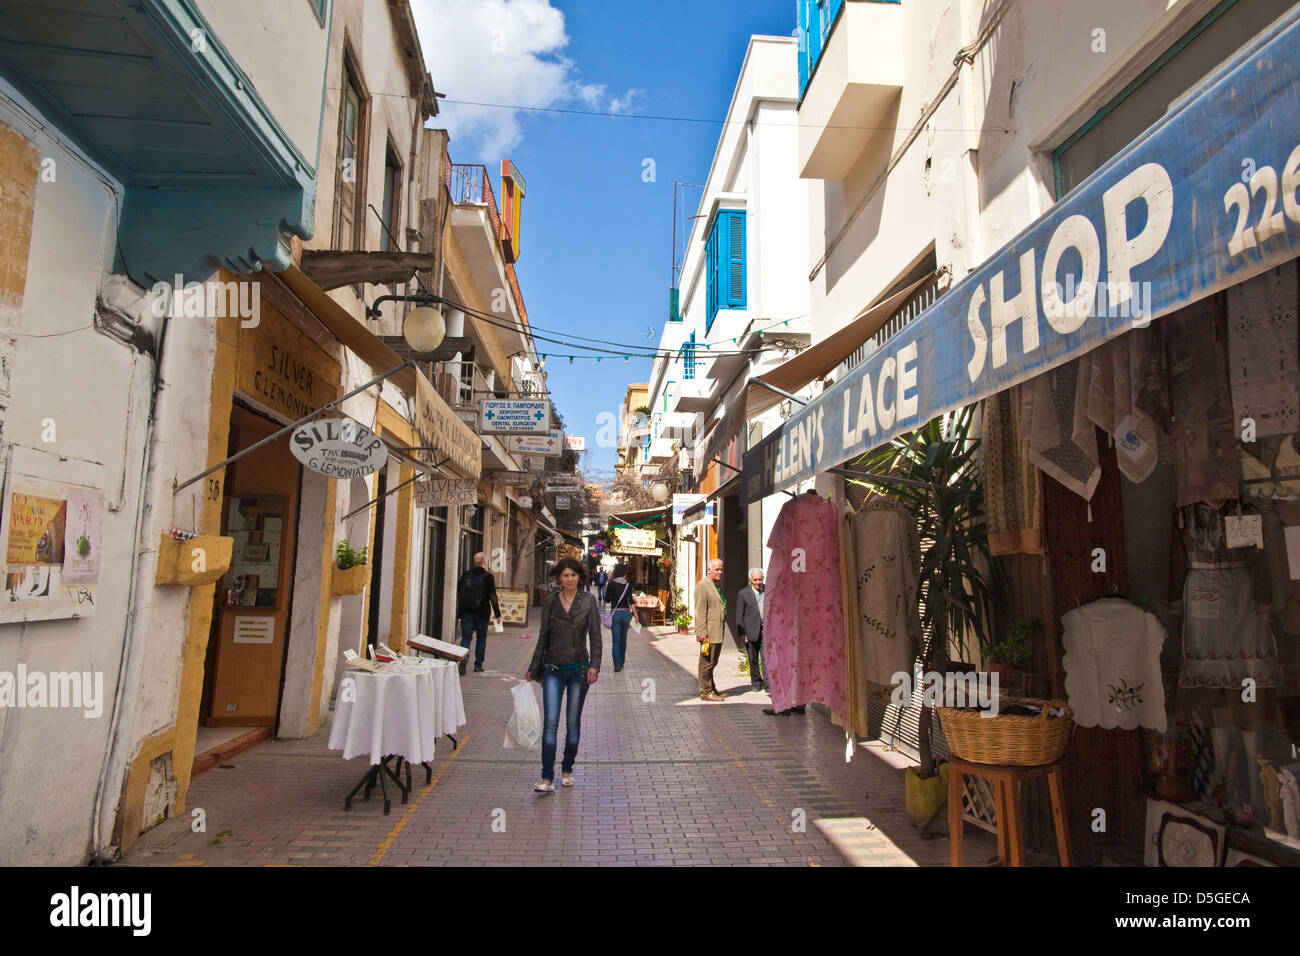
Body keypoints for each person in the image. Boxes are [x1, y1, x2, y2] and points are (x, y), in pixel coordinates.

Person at [526, 557, 602, 792]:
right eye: (565, 575)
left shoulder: (588, 602)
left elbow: (596, 637)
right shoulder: (550, 602)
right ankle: (547, 778)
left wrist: (594, 666)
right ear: (559, 578)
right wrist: (533, 666)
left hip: (579, 669)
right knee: (550, 724)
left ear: (580, 577)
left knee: (572, 723)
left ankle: (567, 769)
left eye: (573, 575)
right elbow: (542, 637)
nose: (569, 579)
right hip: (553, 669)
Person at [456, 552, 501, 674]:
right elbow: (493, 596)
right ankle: (478, 665)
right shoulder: (488, 577)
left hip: (466, 612)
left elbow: (459, 592)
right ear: (484, 562)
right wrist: (497, 613)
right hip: (482, 613)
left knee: (466, 637)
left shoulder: (466, 575)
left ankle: (463, 659)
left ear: (474, 562)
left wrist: (459, 612)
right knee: (481, 638)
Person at [694, 558, 727, 702]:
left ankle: (712, 688)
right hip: (708, 632)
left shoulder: (716, 585)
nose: (720, 572)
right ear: (709, 570)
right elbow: (700, 610)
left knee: (713, 661)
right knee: (706, 662)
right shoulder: (702, 586)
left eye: (721, 569)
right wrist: (701, 632)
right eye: (717, 569)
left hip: (717, 630)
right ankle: (705, 691)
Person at [735, 567, 767, 694]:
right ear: (750, 580)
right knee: (753, 658)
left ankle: (768, 683)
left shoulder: (768, 590)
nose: (758, 582)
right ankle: (756, 681)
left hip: (766, 630)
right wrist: (742, 632)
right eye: (755, 580)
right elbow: (739, 614)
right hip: (751, 630)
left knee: (766, 658)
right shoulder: (743, 593)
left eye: (760, 579)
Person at [607, 563, 635, 672]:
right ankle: (622, 661)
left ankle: (617, 665)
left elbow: (607, 600)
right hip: (627, 614)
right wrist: (636, 615)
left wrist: (611, 596)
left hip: (615, 614)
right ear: (624, 573)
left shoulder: (611, 584)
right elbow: (631, 601)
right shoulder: (628, 585)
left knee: (616, 641)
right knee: (623, 639)